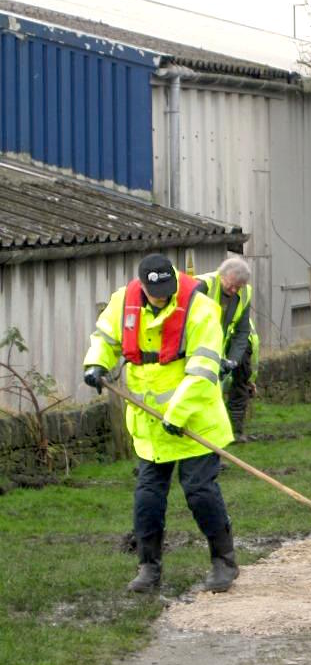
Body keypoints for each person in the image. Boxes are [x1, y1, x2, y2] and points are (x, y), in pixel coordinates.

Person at [82, 253, 238, 594]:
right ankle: (148, 568)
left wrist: (177, 414)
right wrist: (95, 364)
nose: (161, 298)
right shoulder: (123, 301)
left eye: (166, 291)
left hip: (195, 420)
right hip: (150, 425)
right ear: (142, 286)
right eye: (155, 293)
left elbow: (203, 369)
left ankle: (224, 562)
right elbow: (105, 337)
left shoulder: (199, 308)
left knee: (200, 491)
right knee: (148, 497)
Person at [196, 257, 260, 437]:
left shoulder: (245, 293)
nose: (233, 291)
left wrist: (231, 360)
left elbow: (242, 331)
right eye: (230, 285)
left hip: (221, 349)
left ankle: (226, 435)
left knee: (220, 392)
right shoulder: (202, 286)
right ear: (221, 275)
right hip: (196, 350)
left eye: (237, 287)